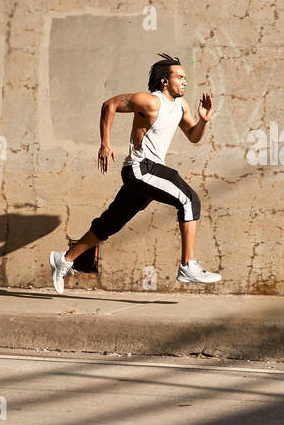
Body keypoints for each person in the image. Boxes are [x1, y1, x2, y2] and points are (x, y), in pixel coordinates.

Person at [49, 53, 221, 292]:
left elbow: (193, 136)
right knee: (189, 199)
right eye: (179, 77)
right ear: (164, 81)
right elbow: (109, 105)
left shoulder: (181, 105)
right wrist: (105, 144)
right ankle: (187, 265)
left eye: (185, 78)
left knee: (110, 224)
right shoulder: (149, 101)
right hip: (141, 168)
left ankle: (64, 259)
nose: (184, 82)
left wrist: (203, 121)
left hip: (146, 175)